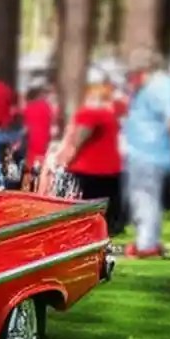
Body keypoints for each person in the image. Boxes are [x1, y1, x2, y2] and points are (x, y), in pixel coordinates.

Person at [121, 48, 170, 258]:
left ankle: (146, 244)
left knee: (144, 199)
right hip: (148, 151)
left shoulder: (159, 87)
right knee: (147, 198)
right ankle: (149, 239)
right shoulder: (163, 85)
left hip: (148, 152)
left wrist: (169, 138)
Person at [57, 76, 124, 234]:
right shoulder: (110, 115)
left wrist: (67, 158)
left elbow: (81, 138)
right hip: (111, 167)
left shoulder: (90, 113)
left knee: (88, 206)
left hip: (89, 168)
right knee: (108, 208)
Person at [21, 83, 56, 189]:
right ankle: (41, 188)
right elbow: (52, 125)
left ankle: (27, 188)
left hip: (31, 140)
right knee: (42, 167)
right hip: (44, 140)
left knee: (29, 167)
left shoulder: (28, 107)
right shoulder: (47, 107)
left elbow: (25, 127)